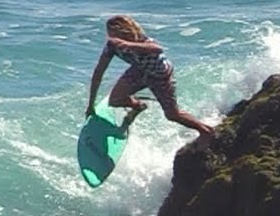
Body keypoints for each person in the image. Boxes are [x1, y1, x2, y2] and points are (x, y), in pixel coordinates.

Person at [85, 15, 214, 139]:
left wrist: (127, 44)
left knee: (172, 115)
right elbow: (98, 73)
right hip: (139, 71)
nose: (111, 37)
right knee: (115, 100)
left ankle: (205, 131)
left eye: (113, 33)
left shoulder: (141, 40)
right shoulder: (112, 47)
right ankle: (138, 106)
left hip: (160, 76)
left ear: (125, 31)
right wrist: (91, 105)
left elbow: (157, 48)